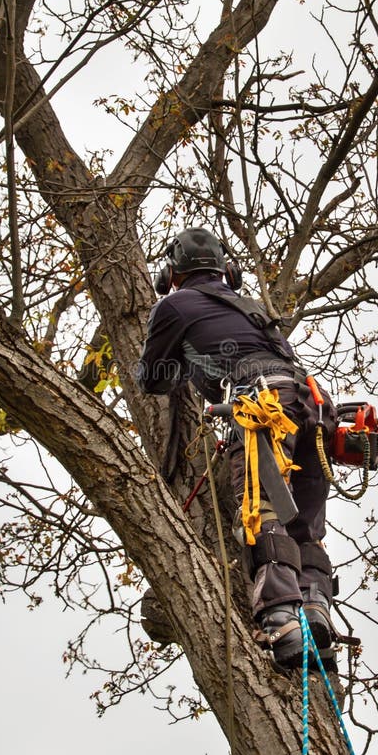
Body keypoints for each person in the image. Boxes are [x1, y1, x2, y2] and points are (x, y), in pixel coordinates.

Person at [136, 227, 338, 670]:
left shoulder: (173, 305)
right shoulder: (252, 309)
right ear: (228, 270)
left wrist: (186, 366)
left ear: (171, 274)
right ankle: (315, 606)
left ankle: (282, 619)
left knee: (262, 510)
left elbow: (150, 378)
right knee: (304, 522)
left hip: (261, 405)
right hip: (312, 406)